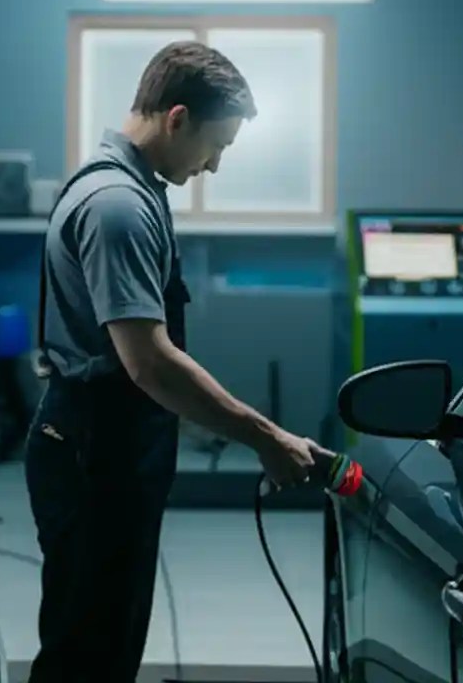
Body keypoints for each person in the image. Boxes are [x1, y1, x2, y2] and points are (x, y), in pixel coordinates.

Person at [24, 40, 323, 682]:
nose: (213, 167)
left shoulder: (134, 187)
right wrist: (264, 438)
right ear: (177, 118)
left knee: (104, 634)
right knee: (89, 649)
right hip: (94, 453)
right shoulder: (118, 207)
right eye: (215, 146)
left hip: (109, 442)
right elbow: (150, 365)